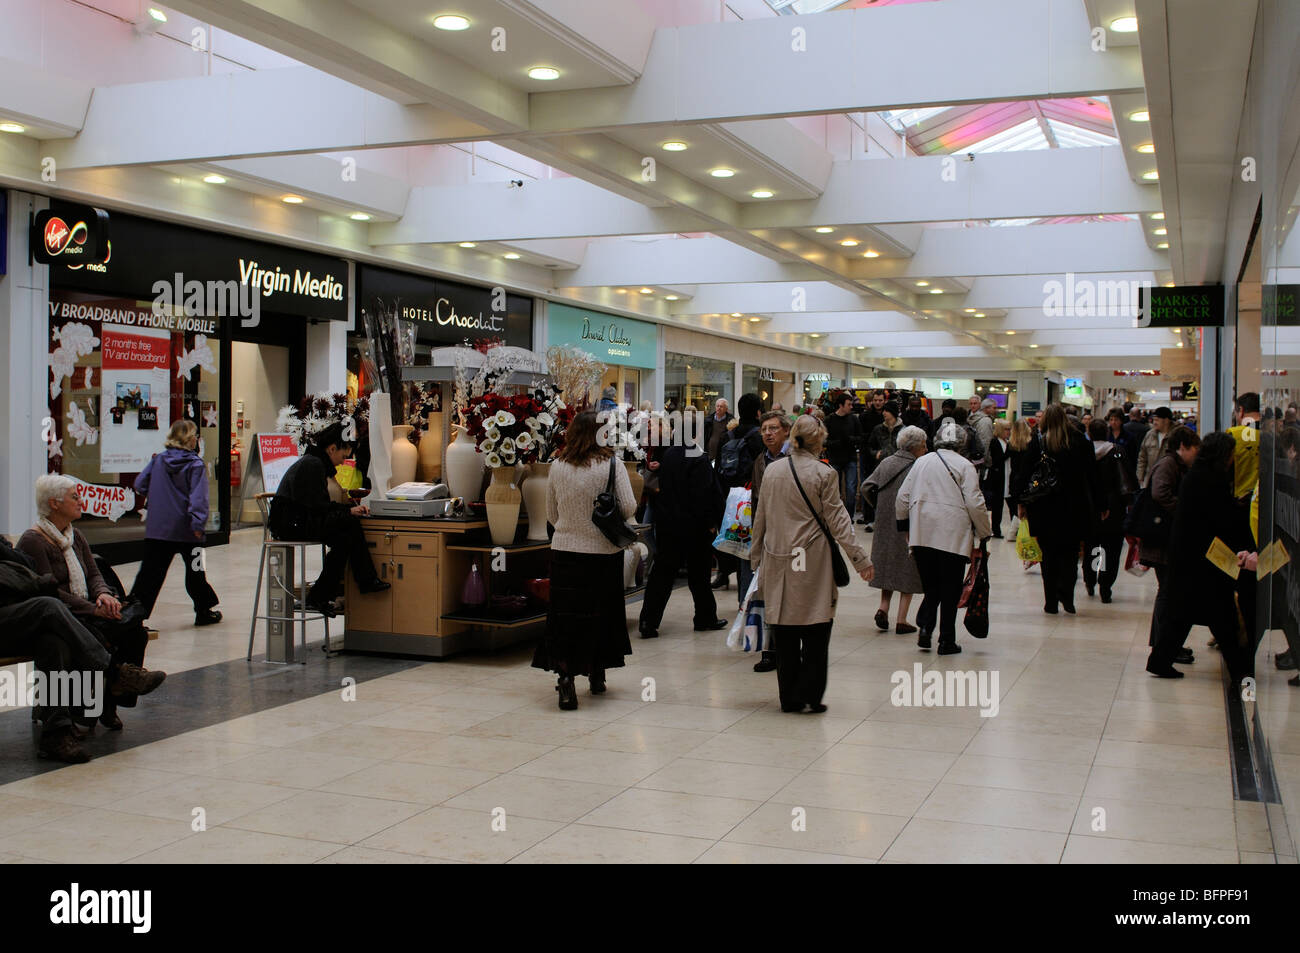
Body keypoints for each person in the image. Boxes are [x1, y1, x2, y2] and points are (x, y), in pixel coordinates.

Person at [18, 475, 167, 732]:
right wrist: (93, 608)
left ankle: (111, 701)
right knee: (99, 634)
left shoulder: (75, 536)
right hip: (63, 614)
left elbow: (94, 573)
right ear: (54, 503)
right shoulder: (34, 541)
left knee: (134, 632)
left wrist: (104, 595)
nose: (80, 501)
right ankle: (101, 695)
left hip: (86, 608)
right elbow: (49, 592)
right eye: (74, 497)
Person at [750, 415, 872, 713]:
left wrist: (756, 559)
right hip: (812, 561)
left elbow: (760, 518)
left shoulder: (773, 470)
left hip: (778, 558)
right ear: (819, 439)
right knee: (817, 627)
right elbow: (839, 521)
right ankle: (812, 695)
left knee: (784, 630)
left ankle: (789, 697)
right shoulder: (824, 474)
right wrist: (860, 559)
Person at [533, 410, 635, 710]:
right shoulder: (611, 464)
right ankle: (597, 674)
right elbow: (628, 506)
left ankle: (566, 679)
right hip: (602, 553)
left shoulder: (558, 465)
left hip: (565, 551)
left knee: (566, 618)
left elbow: (551, 513)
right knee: (600, 614)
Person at [0, 535, 118, 763]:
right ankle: (113, 671)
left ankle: (56, 735)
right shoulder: (33, 538)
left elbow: (27, 564)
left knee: (52, 641)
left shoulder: (78, 536)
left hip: (8, 617)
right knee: (48, 606)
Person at [1146, 433, 1254, 681]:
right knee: (1221, 615)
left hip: (1189, 556)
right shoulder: (1211, 479)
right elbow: (1220, 518)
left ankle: (1160, 661)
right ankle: (1239, 668)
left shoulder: (1197, 475)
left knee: (1181, 615)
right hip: (1205, 560)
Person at [270, 422, 390, 616]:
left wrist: (347, 511)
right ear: (332, 448)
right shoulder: (313, 465)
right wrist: (347, 512)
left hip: (294, 520)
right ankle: (361, 581)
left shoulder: (313, 462)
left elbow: (319, 506)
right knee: (349, 526)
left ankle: (323, 595)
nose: (343, 462)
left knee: (346, 536)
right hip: (291, 523)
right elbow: (318, 508)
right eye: (343, 456)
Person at [896, 420, 991, 655]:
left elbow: (902, 497)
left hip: (922, 533)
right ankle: (946, 640)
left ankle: (926, 631)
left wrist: (904, 526)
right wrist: (984, 532)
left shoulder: (922, 462)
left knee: (931, 587)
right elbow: (975, 502)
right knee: (950, 591)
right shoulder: (965, 466)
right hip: (952, 535)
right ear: (962, 443)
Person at [639, 413, 729, 640]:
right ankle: (705, 618)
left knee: (662, 574)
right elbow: (704, 496)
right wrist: (711, 523)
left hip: (669, 524)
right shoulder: (698, 458)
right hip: (695, 527)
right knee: (699, 575)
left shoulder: (669, 455)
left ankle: (648, 621)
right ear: (697, 433)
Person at [127, 420, 221, 625]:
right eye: (195, 435)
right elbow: (199, 498)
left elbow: (140, 483)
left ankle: (134, 614)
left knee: (150, 573)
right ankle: (204, 610)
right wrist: (198, 524)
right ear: (190, 438)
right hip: (189, 531)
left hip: (158, 530)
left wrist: (158, 496)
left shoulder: (158, 460)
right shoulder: (195, 464)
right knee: (196, 570)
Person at [1017, 403, 1098, 614]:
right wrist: (1099, 504)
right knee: (1070, 554)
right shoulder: (1080, 441)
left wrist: (1020, 501)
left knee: (1048, 555)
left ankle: (1050, 600)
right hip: (1073, 507)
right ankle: (1067, 596)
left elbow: (1024, 473)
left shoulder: (1039, 442)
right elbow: (1092, 475)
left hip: (1044, 507)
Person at [1139, 426, 1200, 656]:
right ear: (1182, 447)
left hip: (1165, 538)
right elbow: (1159, 492)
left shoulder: (1176, 464)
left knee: (1168, 591)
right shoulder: (1168, 464)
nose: (1197, 453)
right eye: (1194, 448)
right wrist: (1184, 509)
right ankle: (1164, 646)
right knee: (1167, 591)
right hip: (1161, 539)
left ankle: (1165, 644)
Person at [862, 425, 926, 635]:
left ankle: (883, 607)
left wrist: (878, 505)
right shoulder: (918, 466)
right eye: (924, 445)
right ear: (915, 447)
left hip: (885, 521)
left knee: (887, 563)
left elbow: (865, 487)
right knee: (909, 568)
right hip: (909, 522)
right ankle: (902, 619)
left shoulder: (887, 462)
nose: (926, 449)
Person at [749, 410, 791, 673]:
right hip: (768, 537)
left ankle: (786, 647)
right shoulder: (759, 461)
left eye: (773, 428)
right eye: (764, 429)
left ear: (786, 431)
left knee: (790, 597)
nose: (768, 433)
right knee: (765, 595)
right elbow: (757, 504)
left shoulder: (794, 459)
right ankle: (768, 650)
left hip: (793, 537)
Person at [713, 393, 764, 593]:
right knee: (749, 548)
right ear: (758, 412)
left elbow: (717, 469)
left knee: (729, 538)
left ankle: (723, 573)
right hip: (750, 498)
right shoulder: (758, 438)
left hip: (729, 498)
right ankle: (746, 595)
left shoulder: (728, 435)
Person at [1082, 418, 1132, 603]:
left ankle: (1091, 578)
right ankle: (1106, 585)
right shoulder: (1117, 452)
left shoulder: (1085, 452)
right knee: (1111, 549)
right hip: (1115, 507)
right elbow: (1126, 480)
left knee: (1093, 546)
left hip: (1091, 507)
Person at [823, 391, 863, 519]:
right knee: (835, 490)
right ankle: (837, 516)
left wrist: (850, 440)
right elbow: (824, 440)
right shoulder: (829, 420)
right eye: (849, 404)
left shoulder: (854, 419)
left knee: (851, 489)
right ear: (841, 405)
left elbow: (860, 437)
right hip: (834, 458)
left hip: (850, 458)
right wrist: (837, 443)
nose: (851, 407)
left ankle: (849, 516)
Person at [983, 418, 1010, 538]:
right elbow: (997, 459)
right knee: (997, 505)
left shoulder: (1006, 442)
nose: (1009, 432)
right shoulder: (995, 442)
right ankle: (996, 529)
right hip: (997, 478)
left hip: (1006, 475)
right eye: (1006, 429)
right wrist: (1010, 452)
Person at [1005, 417, 1032, 535]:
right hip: (1028, 477)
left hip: (1014, 476)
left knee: (1014, 504)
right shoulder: (1031, 443)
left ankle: (1014, 529)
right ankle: (1024, 529)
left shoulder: (1011, 444)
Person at [1136, 406, 1173, 488]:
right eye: (1153, 420)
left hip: (1169, 480)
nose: (1154, 422)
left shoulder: (1176, 435)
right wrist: (1140, 477)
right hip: (1150, 479)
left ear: (1166, 420)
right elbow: (1142, 457)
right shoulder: (1150, 435)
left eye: (1157, 420)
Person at [703, 398, 733, 465]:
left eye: (721, 406)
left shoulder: (731, 422)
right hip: (709, 455)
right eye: (717, 406)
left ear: (726, 409)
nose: (719, 408)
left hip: (724, 456)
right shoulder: (708, 420)